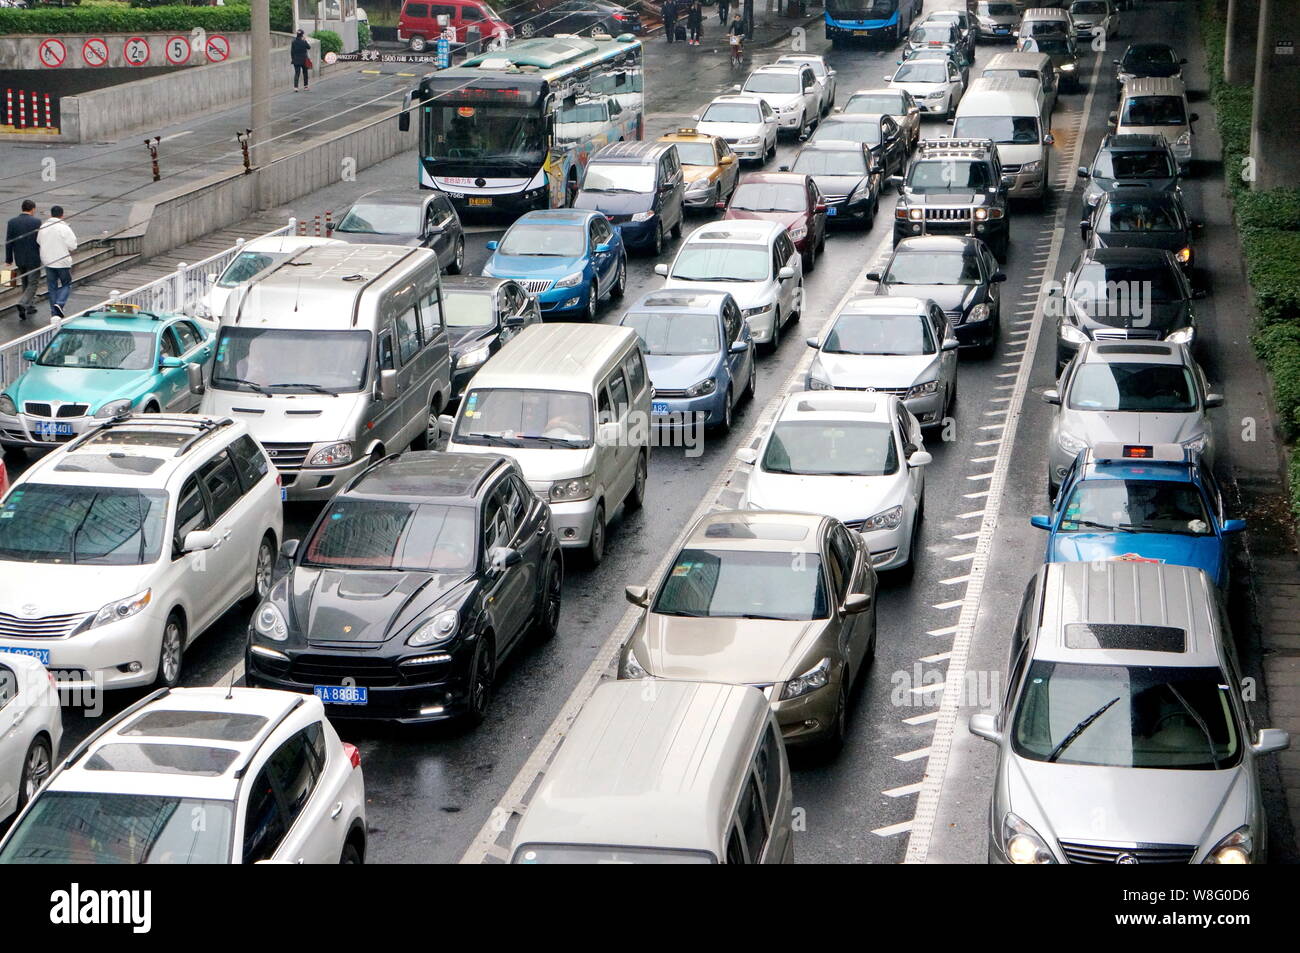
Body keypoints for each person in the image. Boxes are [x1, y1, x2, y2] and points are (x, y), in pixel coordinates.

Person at [4, 199, 42, 322]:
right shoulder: (36, 222)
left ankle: (29, 306)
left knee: (25, 280)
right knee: (33, 282)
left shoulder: (12, 222)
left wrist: (9, 259)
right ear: (33, 209)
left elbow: (9, 242)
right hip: (33, 257)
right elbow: (40, 240)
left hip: (19, 258)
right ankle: (23, 303)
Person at [37, 205, 75, 319]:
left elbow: (38, 241)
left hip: (48, 261)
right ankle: (60, 303)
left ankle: (54, 312)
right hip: (62, 261)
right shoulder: (64, 228)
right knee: (66, 284)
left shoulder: (43, 227)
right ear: (62, 215)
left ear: (51, 214)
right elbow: (73, 245)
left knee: (52, 286)